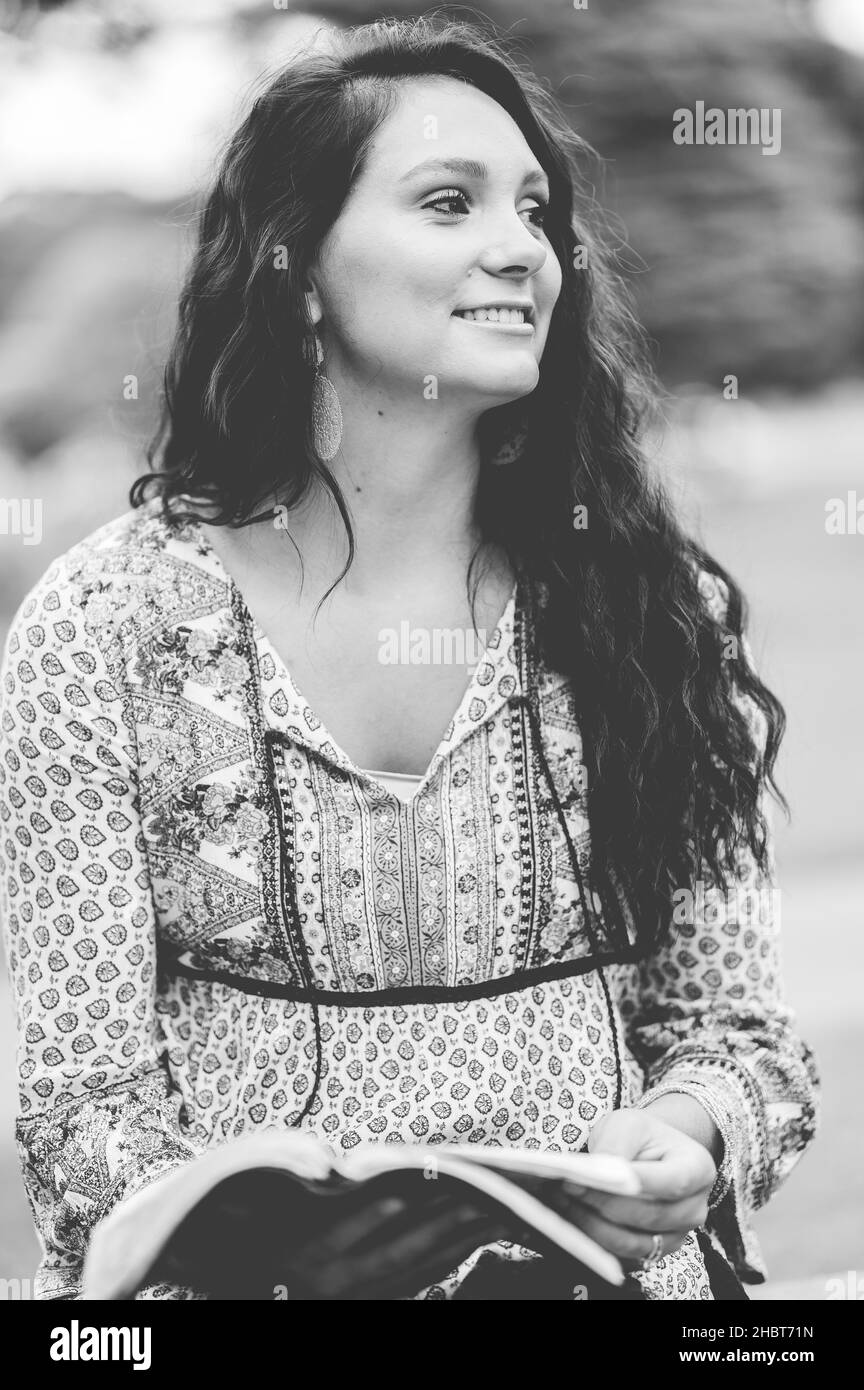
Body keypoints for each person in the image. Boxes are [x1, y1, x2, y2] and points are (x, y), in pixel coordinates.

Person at [0, 15, 819, 1301]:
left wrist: (693, 1134)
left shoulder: (646, 605)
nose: (523, 249)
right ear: (298, 268)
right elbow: (78, 1104)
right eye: (450, 201)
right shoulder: (100, 629)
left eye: (538, 212)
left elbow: (739, 1033)